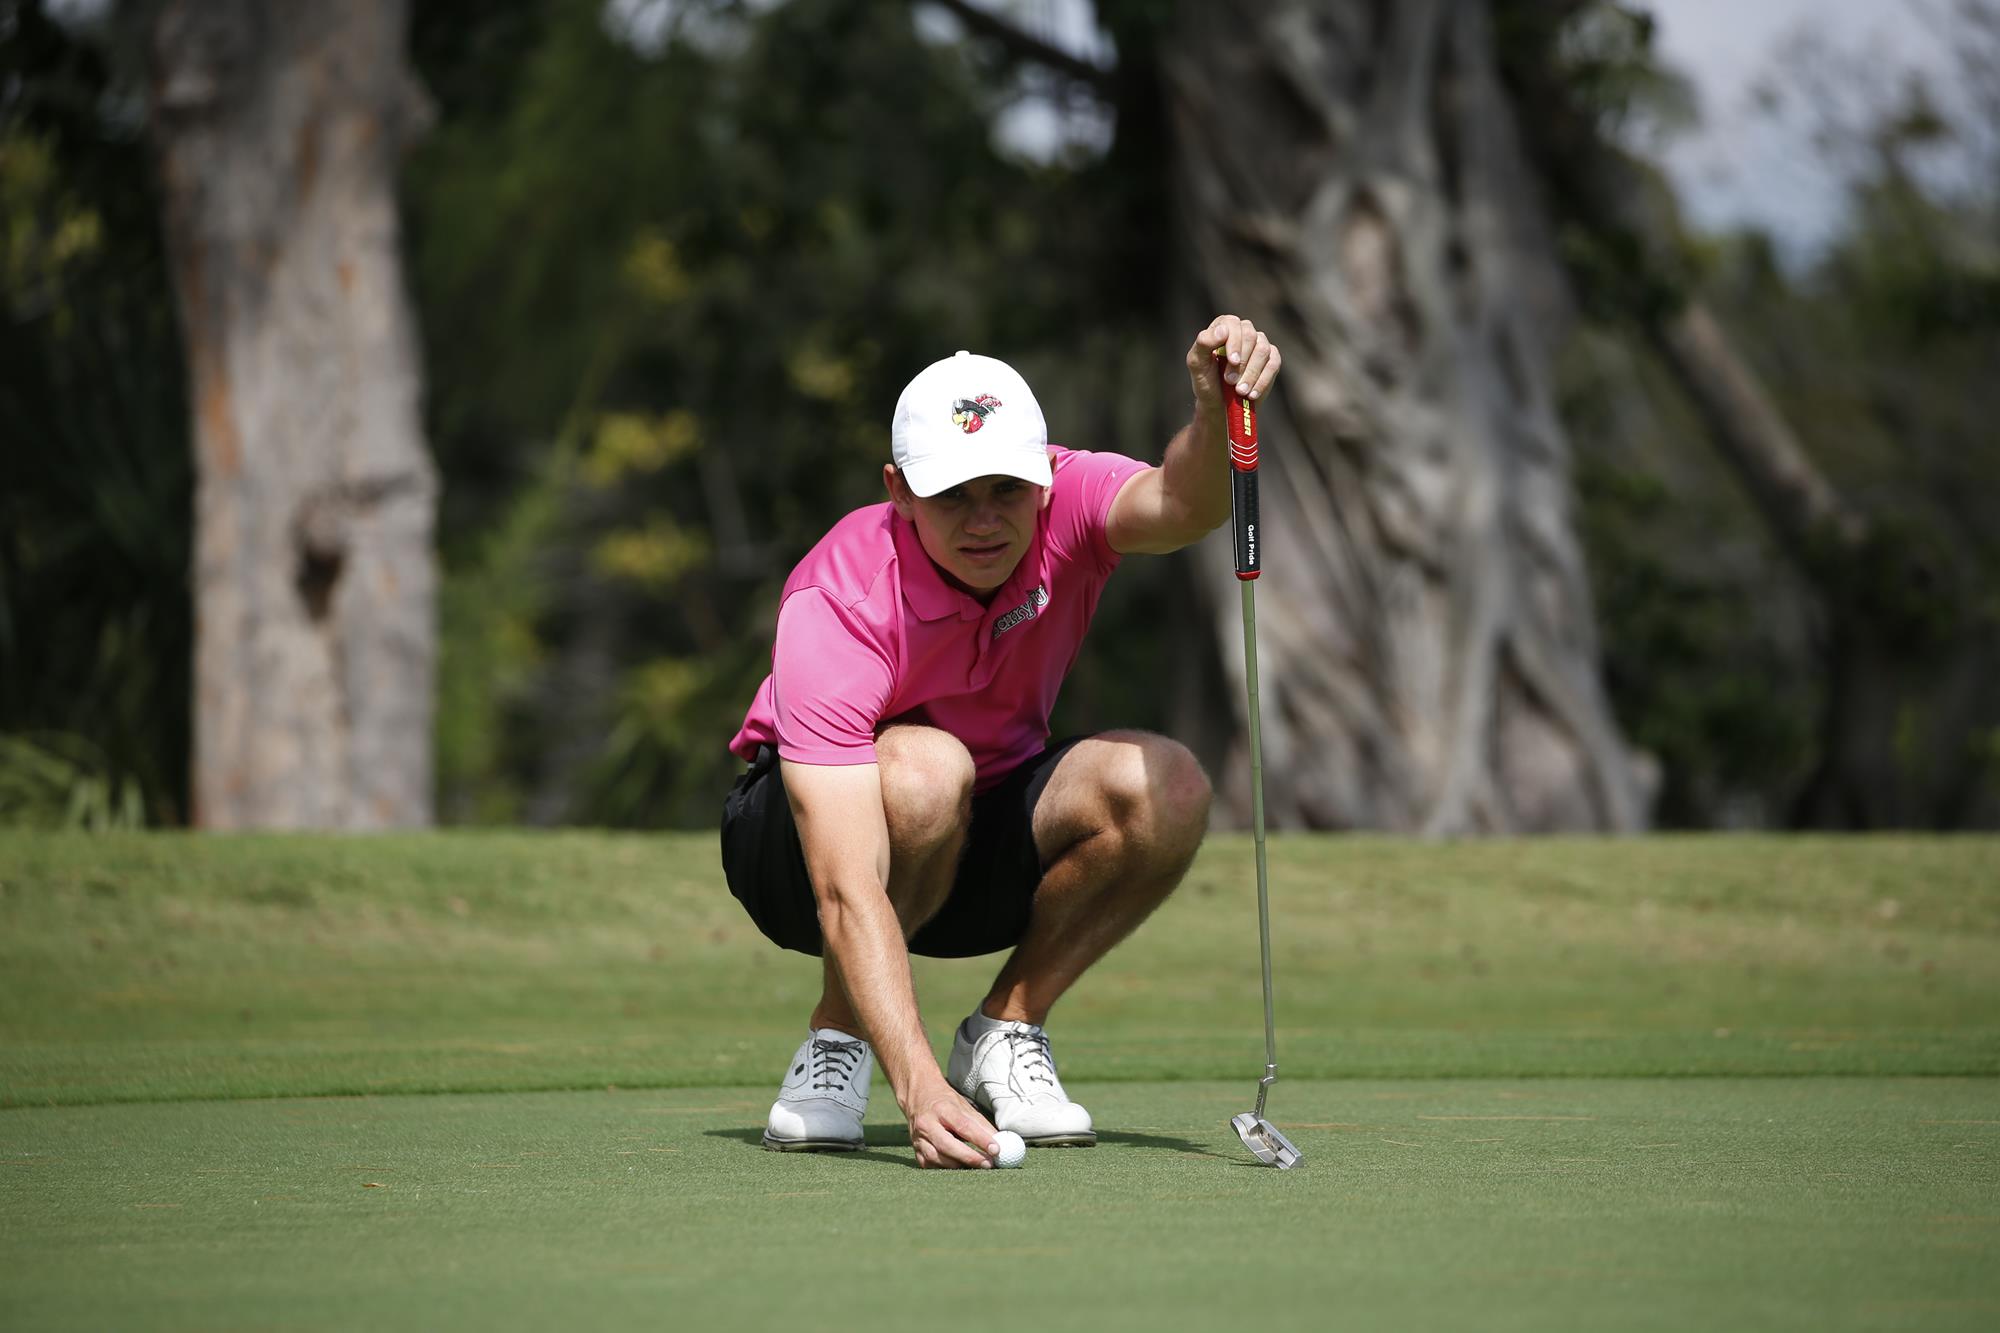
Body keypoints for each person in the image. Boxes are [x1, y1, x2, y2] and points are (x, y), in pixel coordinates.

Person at [721, 316, 1283, 1169]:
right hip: (800, 853)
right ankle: (838, 1041)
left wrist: (1212, 411)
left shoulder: (1073, 498)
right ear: (898, 490)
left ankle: (1005, 1026)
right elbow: (840, 884)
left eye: (1005, 490)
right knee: (924, 770)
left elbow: (1187, 504)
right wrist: (917, 1088)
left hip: (979, 823)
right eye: (952, 495)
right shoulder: (838, 595)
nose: (985, 520)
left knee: (1168, 786)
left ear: (1043, 481)